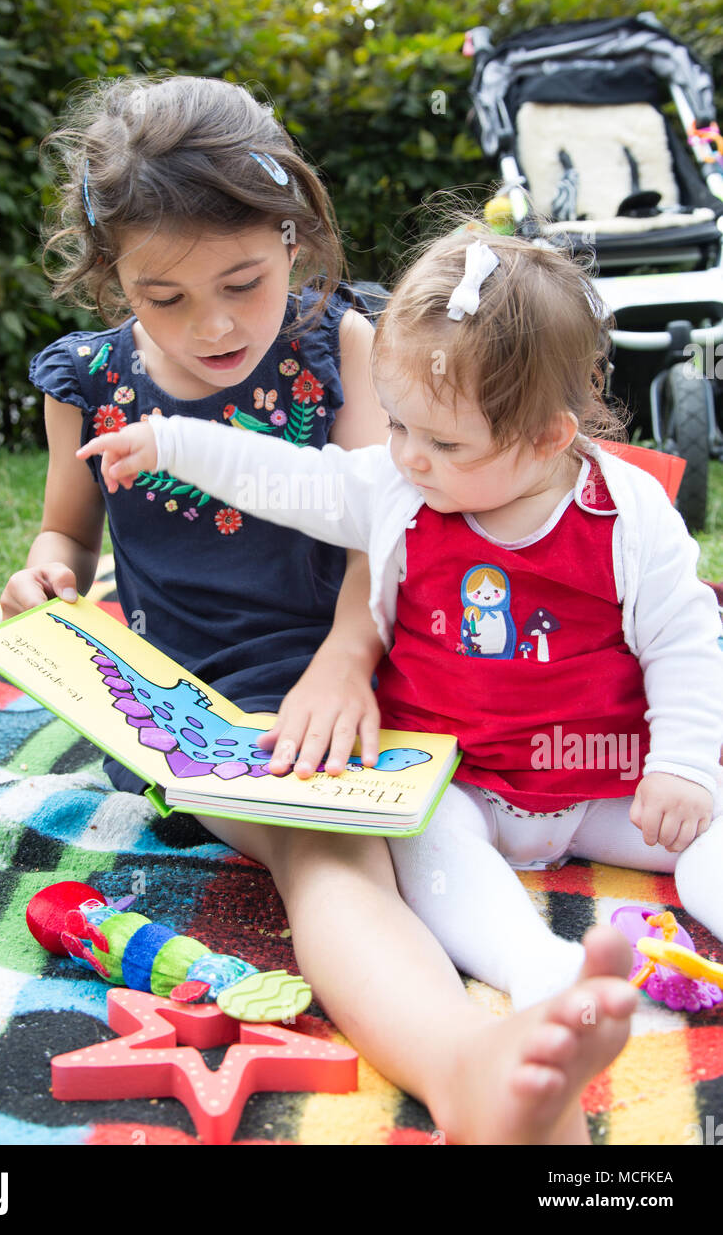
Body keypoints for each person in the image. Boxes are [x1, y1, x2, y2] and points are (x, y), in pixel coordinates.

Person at [5, 79, 638, 1144]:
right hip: (204, 709)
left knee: (425, 804)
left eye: (243, 282)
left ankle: (486, 1041)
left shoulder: (332, 346)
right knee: (324, 845)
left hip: (371, 669)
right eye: (163, 297)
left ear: (292, 241)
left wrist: (345, 655)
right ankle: (460, 1070)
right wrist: (47, 575)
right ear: (109, 274)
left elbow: (379, 520)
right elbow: (64, 532)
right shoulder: (89, 384)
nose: (212, 324)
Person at [79, 223, 723, 1026]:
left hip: (608, 781)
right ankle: (533, 966)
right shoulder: (400, 488)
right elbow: (292, 479)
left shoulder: (627, 516)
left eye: (444, 441)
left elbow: (686, 644)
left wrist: (684, 768)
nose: (410, 455)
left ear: (550, 436)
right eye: (396, 425)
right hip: (458, 780)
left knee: (715, 818)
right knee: (419, 840)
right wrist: (170, 442)